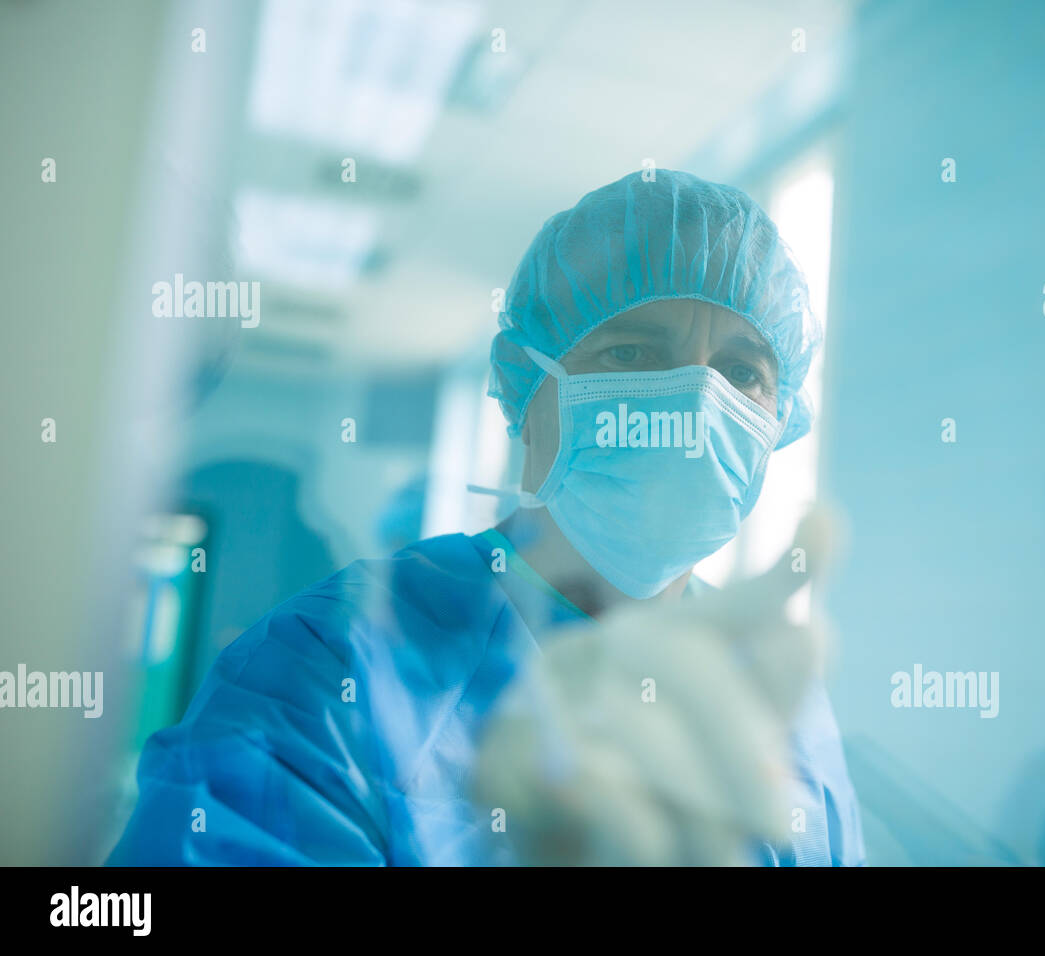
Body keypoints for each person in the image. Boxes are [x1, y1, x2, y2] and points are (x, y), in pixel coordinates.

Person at [107, 169, 866, 866]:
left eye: (742, 372)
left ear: (781, 418)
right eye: (634, 354)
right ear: (524, 390)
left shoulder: (777, 716)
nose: (696, 402)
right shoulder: (332, 666)